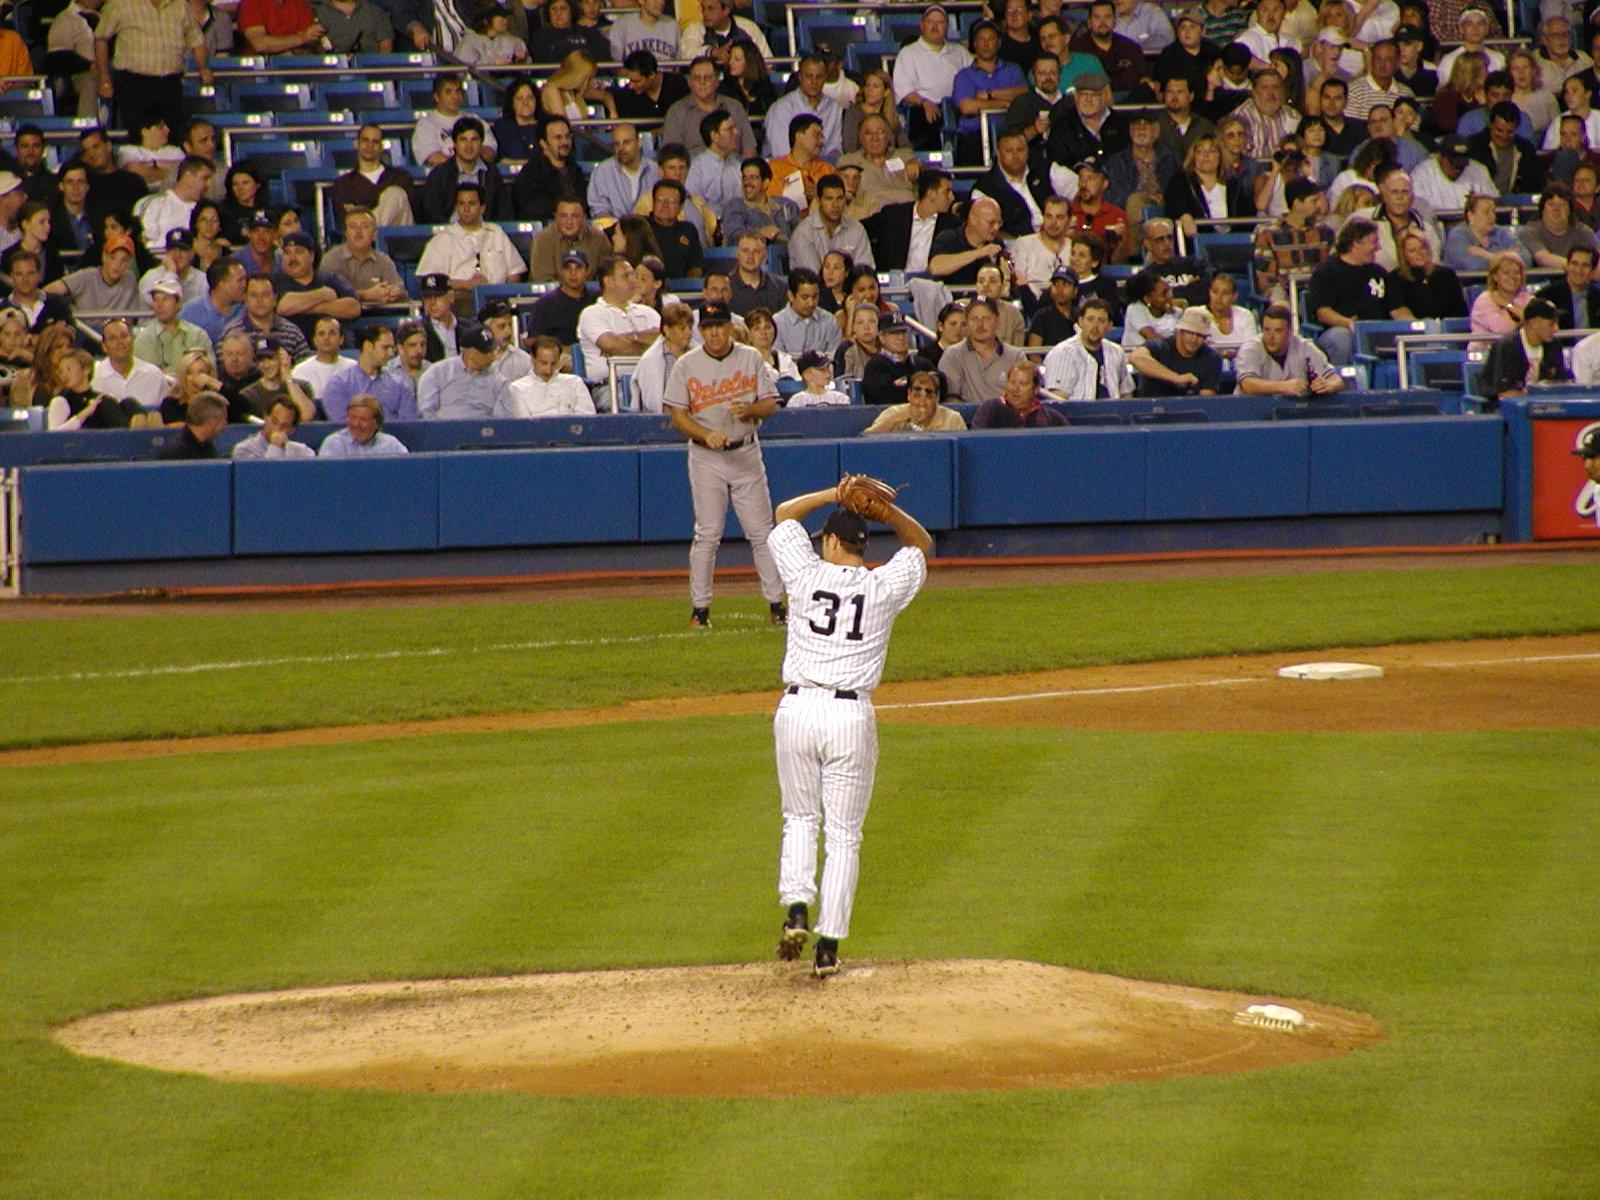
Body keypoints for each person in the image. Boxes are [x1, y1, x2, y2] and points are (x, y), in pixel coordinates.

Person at [767, 477, 930, 977]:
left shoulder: (804, 573)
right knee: (843, 836)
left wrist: (832, 495)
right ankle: (828, 948)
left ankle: (797, 909)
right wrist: (888, 515)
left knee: (800, 818)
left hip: (796, 712)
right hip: (849, 719)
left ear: (832, 542)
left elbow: (783, 514)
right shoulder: (882, 586)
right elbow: (921, 545)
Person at [661, 300, 788, 628]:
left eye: (719, 326)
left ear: (730, 328)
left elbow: (770, 404)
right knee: (708, 533)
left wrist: (751, 411)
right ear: (701, 331)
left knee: (762, 533)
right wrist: (704, 433)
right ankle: (699, 610)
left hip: (746, 452)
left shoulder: (749, 357)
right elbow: (676, 414)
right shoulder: (687, 364)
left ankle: (777, 606)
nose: (714, 332)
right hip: (706, 457)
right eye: (708, 327)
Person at [92, 0, 212, 139]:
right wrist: (104, 76)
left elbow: (196, 40)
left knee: (173, 136)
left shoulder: (180, 5)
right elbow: (100, 38)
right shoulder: (121, 4)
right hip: (134, 84)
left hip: (170, 84)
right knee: (140, 135)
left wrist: (204, 68)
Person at [1307, 218, 1414, 363]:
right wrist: (1351, 324)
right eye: (1374, 242)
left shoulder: (1379, 273)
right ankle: (1343, 383)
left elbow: (1397, 309)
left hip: (1377, 331)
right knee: (1341, 337)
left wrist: (1416, 328)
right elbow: (1323, 312)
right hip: (1342, 330)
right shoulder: (1326, 271)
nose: (1378, 247)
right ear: (1356, 243)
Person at [417, 183, 527, 311]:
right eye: (461, 204)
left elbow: (515, 271)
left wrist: (504, 295)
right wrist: (466, 285)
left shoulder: (496, 233)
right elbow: (430, 281)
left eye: (472, 203)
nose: (466, 209)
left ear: (482, 208)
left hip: (497, 303)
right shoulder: (442, 239)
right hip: (458, 303)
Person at [576, 254, 661, 402]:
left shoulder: (648, 313)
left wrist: (632, 338)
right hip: (612, 387)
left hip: (652, 382)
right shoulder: (592, 313)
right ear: (608, 281)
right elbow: (611, 345)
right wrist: (649, 344)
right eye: (626, 276)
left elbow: (666, 340)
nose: (633, 280)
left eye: (633, 275)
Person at [893, 5, 974, 151]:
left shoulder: (960, 52)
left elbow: (975, 77)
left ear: (947, 27)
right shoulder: (908, 53)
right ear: (922, 25)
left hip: (959, 108)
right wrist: (924, 102)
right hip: (925, 108)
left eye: (940, 22)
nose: (935, 26)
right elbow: (903, 90)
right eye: (930, 22)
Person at [1234, 304, 1344, 395]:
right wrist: (1284, 386)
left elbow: (1335, 379)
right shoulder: (1250, 348)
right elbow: (1247, 385)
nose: (1271, 337)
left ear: (1290, 331)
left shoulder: (1303, 346)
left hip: (1292, 412)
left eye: (1277, 331)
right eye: (1267, 330)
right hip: (1250, 410)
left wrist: (1328, 385)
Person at [1475, 297, 1568, 404]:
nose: (1556, 329)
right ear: (1533, 322)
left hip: (1544, 407)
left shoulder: (1553, 345)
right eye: (1551, 324)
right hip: (1504, 408)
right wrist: (1538, 401)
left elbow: (1561, 382)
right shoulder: (1507, 346)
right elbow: (1505, 393)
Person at [663, 57, 758, 159]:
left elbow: (750, 151)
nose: (702, 82)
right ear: (689, 83)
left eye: (707, 77)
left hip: (733, 170)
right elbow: (673, 158)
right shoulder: (676, 112)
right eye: (697, 78)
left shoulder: (735, 107)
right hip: (694, 172)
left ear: (717, 81)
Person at [865, 169, 956, 275]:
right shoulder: (893, 215)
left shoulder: (953, 225)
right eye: (947, 191)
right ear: (931, 193)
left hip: (932, 285)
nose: (952, 197)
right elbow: (861, 229)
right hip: (893, 284)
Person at [44, 232, 138, 331]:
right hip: (85, 333)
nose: (117, 265)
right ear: (104, 257)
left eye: (123, 260)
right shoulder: (87, 276)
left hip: (115, 335)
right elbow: (47, 291)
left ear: (129, 262)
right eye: (113, 258)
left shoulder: (130, 279)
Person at [937, 298, 1025, 403]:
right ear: (967, 322)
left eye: (986, 318)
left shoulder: (1016, 356)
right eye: (974, 319)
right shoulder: (952, 355)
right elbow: (951, 400)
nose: (980, 325)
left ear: (997, 322)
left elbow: (1023, 397)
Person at [1041, 297, 1131, 399]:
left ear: (1109, 325)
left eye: (1101, 321)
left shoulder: (1117, 352)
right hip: (1076, 414)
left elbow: (1126, 393)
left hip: (1113, 413)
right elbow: (1058, 399)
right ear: (1080, 321)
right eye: (1090, 319)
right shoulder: (1061, 353)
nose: (1095, 326)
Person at [417, 321, 511, 418]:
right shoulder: (437, 373)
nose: (493, 357)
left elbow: (504, 421)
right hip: (444, 430)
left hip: (482, 431)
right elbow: (426, 414)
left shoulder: (499, 382)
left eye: (493, 351)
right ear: (470, 353)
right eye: (487, 353)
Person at [321, 324, 415, 420]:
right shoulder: (338, 384)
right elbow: (341, 424)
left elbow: (407, 425)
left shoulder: (401, 384)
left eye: (392, 348)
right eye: (385, 347)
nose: (391, 353)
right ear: (368, 346)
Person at [329, 125, 416, 227]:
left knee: (395, 193)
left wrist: (361, 209)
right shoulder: (344, 183)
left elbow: (411, 210)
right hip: (359, 237)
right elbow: (347, 220)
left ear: (381, 147)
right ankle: (371, 232)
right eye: (365, 140)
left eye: (375, 142)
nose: (370, 145)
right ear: (357, 144)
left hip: (397, 237)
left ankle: (370, 230)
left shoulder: (400, 176)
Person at [1128, 306, 1224, 396]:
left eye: (1200, 335)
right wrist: (1176, 378)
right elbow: (1135, 357)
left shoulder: (1212, 358)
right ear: (1180, 331)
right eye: (1190, 332)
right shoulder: (1159, 347)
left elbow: (1206, 397)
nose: (1194, 339)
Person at [413, 74, 498, 168]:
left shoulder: (475, 119)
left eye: (458, 91)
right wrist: (464, 166)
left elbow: (489, 152)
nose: (455, 97)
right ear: (437, 97)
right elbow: (433, 158)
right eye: (448, 92)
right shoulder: (426, 124)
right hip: (444, 178)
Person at [45, 347, 142, 429]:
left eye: (68, 369)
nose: (64, 375)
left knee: (129, 403)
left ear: (86, 370)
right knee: (105, 402)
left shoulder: (100, 398)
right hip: (83, 446)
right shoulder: (61, 400)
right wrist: (85, 413)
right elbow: (54, 435)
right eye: (61, 371)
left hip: (106, 438)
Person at [511, 117, 584, 223]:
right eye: (558, 138)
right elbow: (533, 210)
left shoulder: (575, 170)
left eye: (567, 136)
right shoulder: (531, 174)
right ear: (543, 143)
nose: (565, 142)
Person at [502, 334, 596, 416]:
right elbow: (526, 427)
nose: (548, 370)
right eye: (544, 363)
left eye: (553, 363)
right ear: (532, 358)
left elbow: (587, 419)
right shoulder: (517, 389)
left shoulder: (575, 383)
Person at [585, 124, 660, 223]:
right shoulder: (602, 172)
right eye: (617, 144)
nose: (621, 148)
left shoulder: (655, 170)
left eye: (626, 142)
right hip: (613, 234)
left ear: (639, 142)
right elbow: (599, 210)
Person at [131, 276, 209, 372]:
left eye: (165, 299)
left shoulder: (198, 335)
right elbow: (149, 378)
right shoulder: (144, 339)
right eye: (156, 299)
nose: (159, 305)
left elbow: (208, 371)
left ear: (178, 303)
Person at [92, 316, 166, 410]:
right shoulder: (94, 376)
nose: (120, 342)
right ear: (104, 346)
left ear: (133, 340)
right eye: (113, 338)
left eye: (124, 336)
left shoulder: (154, 374)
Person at [1442, 192, 1528, 271]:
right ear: (1471, 216)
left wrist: (1489, 255)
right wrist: (1509, 257)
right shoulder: (1457, 236)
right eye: (1486, 212)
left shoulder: (1501, 232)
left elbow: (1526, 259)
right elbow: (1474, 266)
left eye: (1493, 212)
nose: (1492, 217)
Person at [862, 369, 967, 433]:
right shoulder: (894, 413)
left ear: (937, 397)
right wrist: (895, 420)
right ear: (909, 395)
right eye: (917, 395)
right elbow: (867, 438)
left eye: (928, 396)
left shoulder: (953, 419)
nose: (922, 402)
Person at [1391, 231, 1466, 319]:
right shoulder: (1395, 278)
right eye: (1412, 250)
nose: (1419, 253)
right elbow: (1398, 310)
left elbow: (1460, 311)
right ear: (1403, 255)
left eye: (1422, 248)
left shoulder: (1447, 275)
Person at [1520, 188, 1600, 270]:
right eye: (1551, 204)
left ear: (1570, 210)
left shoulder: (1582, 230)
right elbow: (1544, 259)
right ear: (1542, 210)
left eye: (1562, 204)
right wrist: (1580, 268)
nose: (1556, 209)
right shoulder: (1530, 231)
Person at [972, 360, 1066, 427]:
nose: (1015, 389)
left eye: (1023, 384)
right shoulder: (991, 409)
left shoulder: (1051, 418)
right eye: (1012, 382)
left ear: (1036, 389)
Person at [773, 267, 841, 357]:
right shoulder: (776, 323)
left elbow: (836, 359)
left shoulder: (829, 321)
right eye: (805, 298)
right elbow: (779, 363)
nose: (811, 303)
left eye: (815, 297)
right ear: (791, 296)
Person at [1470, 250, 1534, 342]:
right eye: (1506, 272)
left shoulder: (1527, 298)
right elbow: (1505, 330)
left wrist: (1508, 305)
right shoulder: (1485, 300)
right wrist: (1526, 322)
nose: (1513, 277)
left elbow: (1540, 325)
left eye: (1517, 272)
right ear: (1495, 276)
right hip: (1485, 351)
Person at [318, 394, 410, 457]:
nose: (356, 424)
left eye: (363, 419)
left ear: (377, 424)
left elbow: (406, 470)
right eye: (353, 418)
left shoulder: (391, 445)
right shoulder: (333, 443)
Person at [1534, 246, 1600, 333]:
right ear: (1567, 266)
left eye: (1585, 265)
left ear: (1592, 270)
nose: (1578, 270)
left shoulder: (1597, 295)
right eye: (1574, 264)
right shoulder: (1548, 294)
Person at [615, 49, 689, 123]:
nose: (631, 86)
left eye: (636, 81)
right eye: (630, 80)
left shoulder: (678, 85)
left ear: (652, 75)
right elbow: (605, 94)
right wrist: (612, 110)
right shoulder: (628, 93)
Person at [231, 396, 315, 459]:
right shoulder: (244, 450)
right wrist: (276, 447)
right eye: (274, 421)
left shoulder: (303, 452)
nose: (278, 429)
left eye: (285, 425)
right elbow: (268, 478)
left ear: (292, 429)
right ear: (265, 417)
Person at [1201, 272, 1256, 358]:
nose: (1219, 297)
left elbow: (1252, 349)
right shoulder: (1198, 315)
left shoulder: (1246, 316)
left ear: (1234, 296)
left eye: (1225, 293)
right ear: (1210, 293)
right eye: (1215, 292)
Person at [159, 391, 228, 458]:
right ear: (212, 421)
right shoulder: (177, 453)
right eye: (223, 419)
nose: (225, 423)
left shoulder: (207, 446)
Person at [608, 0, 675, 64]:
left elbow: (677, 65)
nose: (661, 2)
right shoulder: (622, 25)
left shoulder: (672, 25)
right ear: (641, 1)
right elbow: (615, 64)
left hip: (665, 74)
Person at [788, 350, 852, 408]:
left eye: (828, 368)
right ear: (807, 375)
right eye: (822, 370)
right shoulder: (797, 402)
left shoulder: (840, 399)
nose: (828, 373)